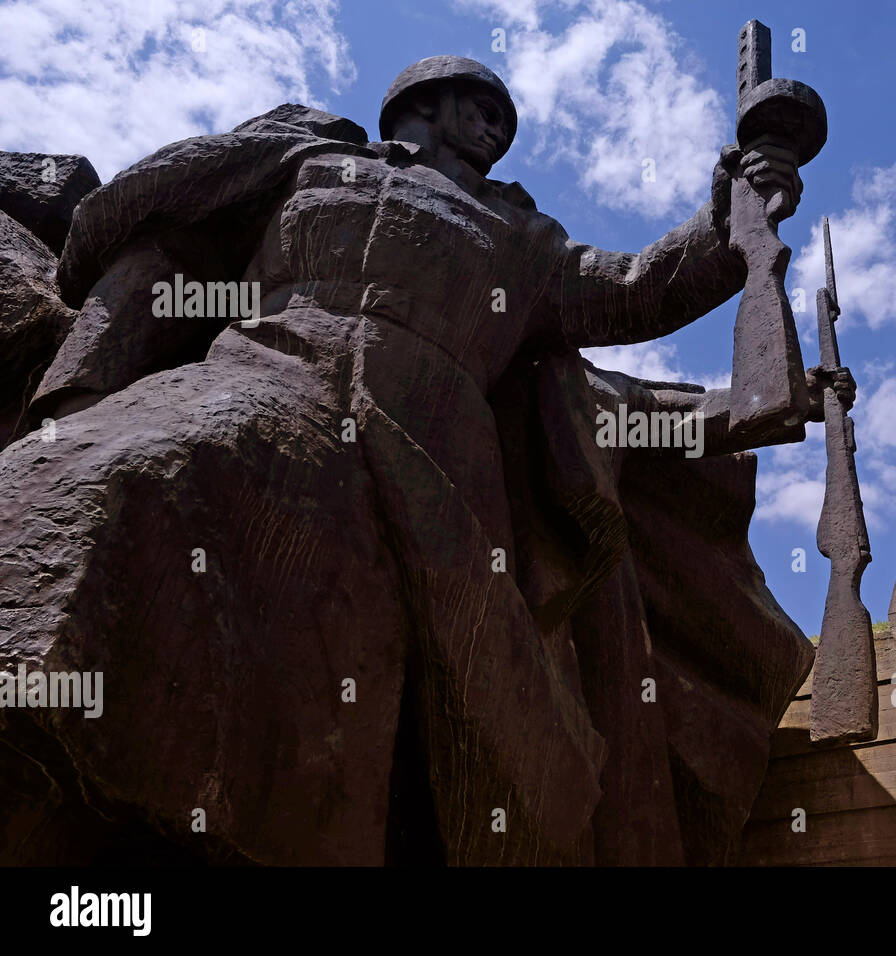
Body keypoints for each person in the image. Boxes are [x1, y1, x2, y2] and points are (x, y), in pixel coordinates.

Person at [0, 57, 819, 864]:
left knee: (485, 710)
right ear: (420, 101)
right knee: (134, 469)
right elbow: (157, 232)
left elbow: (639, 287)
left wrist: (728, 216)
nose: (498, 126)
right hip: (267, 369)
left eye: (504, 117)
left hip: (438, 453)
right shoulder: (307, 163)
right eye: (480, 105)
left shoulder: (525, 237)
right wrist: (84, 360)